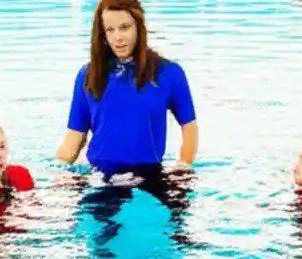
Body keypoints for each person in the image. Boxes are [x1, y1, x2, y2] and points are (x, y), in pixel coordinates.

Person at [55, 0, 198, 233]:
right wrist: (59, 170)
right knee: (101, 247)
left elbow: (189, 126)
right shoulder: (88, 76)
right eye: (110, 30)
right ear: (101, 33)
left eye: (124, 27)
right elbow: (74, 135)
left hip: (151, 172)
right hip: (101, 173)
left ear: (139, 27)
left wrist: (184, 165)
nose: (118, 37)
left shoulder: (168, 73)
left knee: (177, 237)